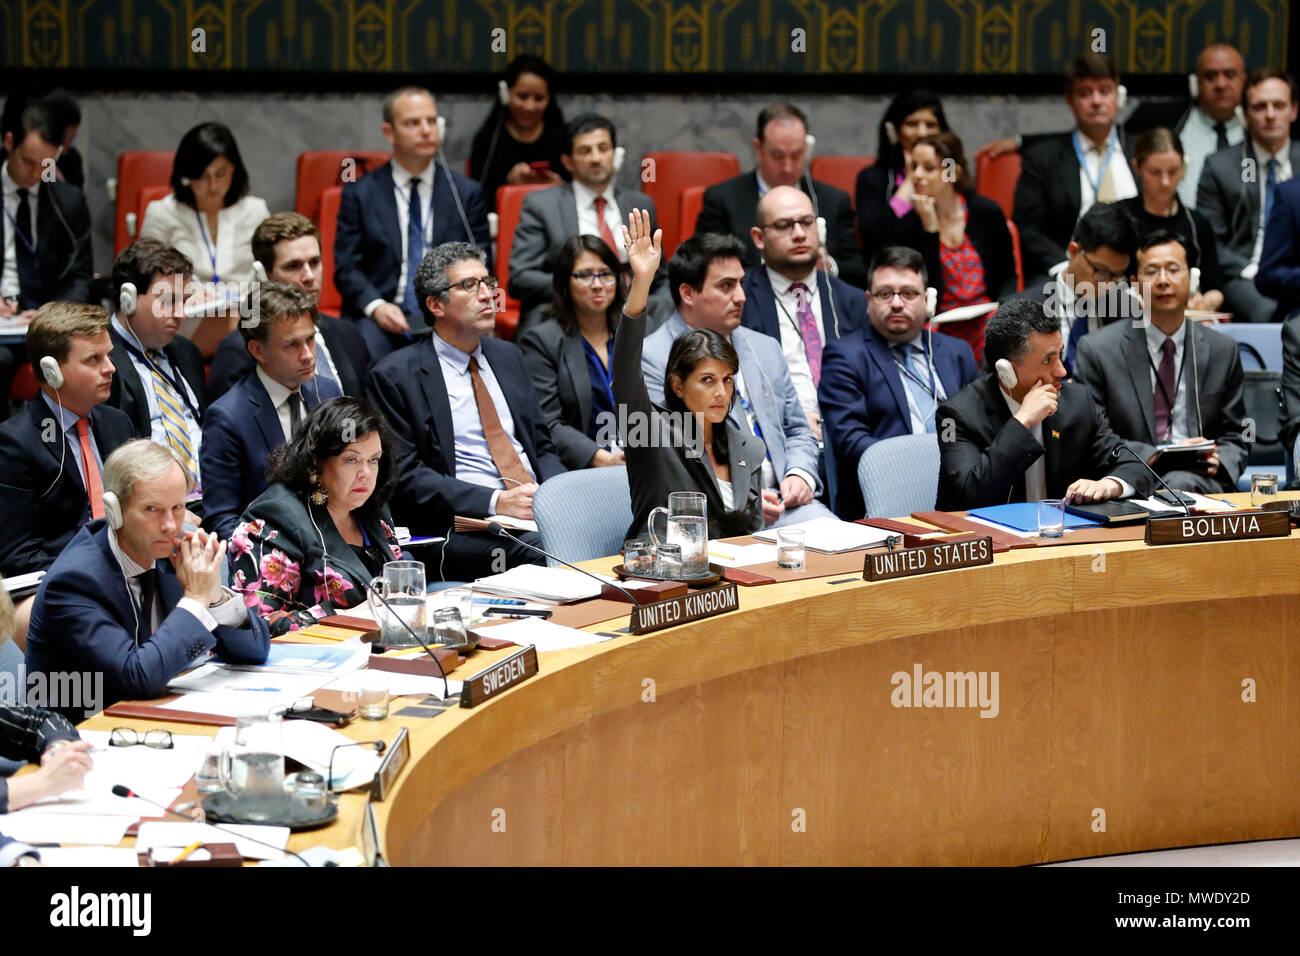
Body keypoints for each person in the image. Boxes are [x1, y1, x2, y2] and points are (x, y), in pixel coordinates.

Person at [26, 440, 270, 720]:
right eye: (152, 509)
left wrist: (215, 597)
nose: (170, 525)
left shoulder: (175, 551)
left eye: (178, 507)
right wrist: (196, 599)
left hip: (165, 718)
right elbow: (137, 677)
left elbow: (255, 651)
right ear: (114, 510)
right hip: (83, 737)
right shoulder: (74, 582)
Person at [367, 242, 564, 578]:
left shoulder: (509, 357)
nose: (488, 294)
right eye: (470, 285)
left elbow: (541, 446)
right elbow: (407, 477)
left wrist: (561, 495)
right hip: (460, 527)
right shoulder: (395, 376)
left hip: (535, 510)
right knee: (549, 551)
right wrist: (497, 501)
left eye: (488, 282)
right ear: (435, 304)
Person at [642, 233, 832, 527]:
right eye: (726, 286)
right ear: (688, 293)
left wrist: (800, 474)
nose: (741, 296)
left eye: (741, 283)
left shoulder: (764, 347)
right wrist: (745, 502)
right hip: (714, 518)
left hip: (787, 506)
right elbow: (670, 457)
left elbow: (797, 428)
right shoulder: (653, 358)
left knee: (847, 551)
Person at [614, 210, 765, 541]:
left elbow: (754, 538)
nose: (720, 393)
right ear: (678, 386)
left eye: (727, 381)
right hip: (662, 576)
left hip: (730, 582)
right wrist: (641, 282)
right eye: (707, 380)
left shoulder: (748, 448)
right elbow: (625, 372)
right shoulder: (651, 435)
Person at [1073, 232, 1247, 495]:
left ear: (1192, 279)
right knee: (1176, 483)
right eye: (1152, 271)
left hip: (1202, 483)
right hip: (1128, 480)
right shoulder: (1098, 350)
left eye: (1174, 269)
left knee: (1181, 483)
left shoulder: (1223, 350)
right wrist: (1157, 457)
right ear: (1134, 284)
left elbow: (1239, 434)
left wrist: (1221, 459)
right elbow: (1094, 436)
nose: (1164, 280)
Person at [935, 299, 1150, 511]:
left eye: (1060, 355)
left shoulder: (1077, 401)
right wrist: (1022, 422)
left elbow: (1134, 465)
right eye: (1047, 361)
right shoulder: (955, 416)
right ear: (1006, 372)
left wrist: (1107, 485)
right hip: (988, 539)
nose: (1062, 371)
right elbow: (971, 491)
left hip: (1064, 538)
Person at [818, 247, 978, 518]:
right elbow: (851, 441)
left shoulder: (957, 353)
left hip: (961, 492)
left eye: (908, 293)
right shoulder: (845, 356)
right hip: (888, 499)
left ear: (926, 299)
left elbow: (980, 426)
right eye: (884, 293)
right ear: (869, 300)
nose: (896, 303)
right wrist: (915, 470)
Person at [334, 87, 492, 360]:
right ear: (389, 132)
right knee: (366, 355)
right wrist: (376, 306)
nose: (426, 130)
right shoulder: (360, 193)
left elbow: (481, 260)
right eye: (413, 123)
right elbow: (347, 268)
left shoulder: (465, 193)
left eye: (432, 121)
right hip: (382, 313)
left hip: (449, 310)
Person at [229, 398, 407, 636]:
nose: (366, 473)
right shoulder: (275, 516)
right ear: (316, 461)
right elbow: (258, 623)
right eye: (351, 459)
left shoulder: (373, 508)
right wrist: (349, 617)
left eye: (373, 460)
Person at [0, 304, 132, 586]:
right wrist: (98, 571)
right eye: (93, 359)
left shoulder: (117, 423)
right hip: (67, 584)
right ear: (51, 372)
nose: (110, 368)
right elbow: (18, 554)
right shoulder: (15, 443)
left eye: (108, 355)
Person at [200, 283, 343, 538]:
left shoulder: (329, 392)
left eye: (310, 339)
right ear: (258, 350)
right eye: (292, 345)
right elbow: (221, 521)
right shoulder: (228, 418)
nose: (309, 355)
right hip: (271, 557)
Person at [508, 113, 671, 335]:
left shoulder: (639, 203)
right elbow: (521, 278)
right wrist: (581, 288)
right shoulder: (542, 205)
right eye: (585, 151)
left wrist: (657, 303)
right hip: (566, 314)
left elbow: (660, 276)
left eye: (603, 148)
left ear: (615, 154)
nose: (596, 158)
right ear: (567, 161)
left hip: (632, 311)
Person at [741, 185, 868, 437]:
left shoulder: (853, 301)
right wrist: (791, 423)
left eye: (806, 223)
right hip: (773, 439)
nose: (799, 234)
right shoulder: (739, 299)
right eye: (784, 226)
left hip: (848, 437)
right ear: (758, 237)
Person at [696, 103, 867, 288]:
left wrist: (828, 266)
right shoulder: (723, 199)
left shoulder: (833, 201)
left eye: (796, 155)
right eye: (777, 156)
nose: (787, 167)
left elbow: (858, 270)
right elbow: (706, 267)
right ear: (758, 148)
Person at [208, 212, 372, 401]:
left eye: (314, 262)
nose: (309, 276)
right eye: (293, 266)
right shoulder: (238, 351)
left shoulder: (348, 334)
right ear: (264, 275)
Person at [139, 122, 270, 356]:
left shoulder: (255, 210)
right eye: (203, 176)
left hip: (244, 312)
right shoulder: (161, 213)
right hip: (185, 314)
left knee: (253, 320)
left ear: (235, 170)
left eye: (221, 174)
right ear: (186, 176)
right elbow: (145, 277)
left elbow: (269, 274)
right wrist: (188, 292)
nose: (213, 185)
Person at [0, 96, 93, 415]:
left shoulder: (68, 202)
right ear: (8, 141)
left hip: (50, 324)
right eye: (29, 162)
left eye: (47, 164)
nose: (37, 173)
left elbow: (81, 276)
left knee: (105, 356)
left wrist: (51, 314)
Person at [1013, 53, 1138, 285]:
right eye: (1085, 93)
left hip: (1133, 275)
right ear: (1070, 100)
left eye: (1105, 90)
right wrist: (1065, 267)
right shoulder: (1044, 158)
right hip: (1066, 274)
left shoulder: (1140, 152)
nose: (1097, 101)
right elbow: (1027, 229)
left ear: (1118, 96)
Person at [895, 131, 1015, 364]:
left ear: (952, 172)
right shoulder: (908, 224)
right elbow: (925, 288)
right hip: (938, 320)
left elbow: (1008, 274)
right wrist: (930, 230)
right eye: (913, 166)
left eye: (929, 168)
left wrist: (1004, 311)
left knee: (1000, 336)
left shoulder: (985, 212)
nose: (917, 175)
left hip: (988, 315)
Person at [516, 236, 629, 471]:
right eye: (585, 275)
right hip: (582, 466)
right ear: (564, 282)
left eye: (606, 274)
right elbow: (548, 422)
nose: (597, 284)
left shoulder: (633, 332)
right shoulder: (542, 341)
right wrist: (602, 458)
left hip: (637, 457)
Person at [1197, 69, 1300, 322]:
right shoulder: (1220, 166)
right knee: (1269, 312)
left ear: (1294, 110)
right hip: (1244, 275)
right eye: (1259, 106)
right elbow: (1210, 241)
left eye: (1279, 105)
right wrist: (1251, 269)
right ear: (1244, 114)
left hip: (1295, 273)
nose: (1270, 114)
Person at [105, 240, 208, 493]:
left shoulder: (186, 352)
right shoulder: (103, 361)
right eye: (169, 301)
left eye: (183, 301)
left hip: (214, 493)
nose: (181, 314)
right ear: (127, 298)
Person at [1008, 201, 1140, 372]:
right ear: (1074, 250)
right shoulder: (1021, 310)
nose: (1107, 285)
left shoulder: (1126, 308)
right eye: (1101, 271)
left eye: (1116, 275)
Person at [1124, 43, 1248, 209]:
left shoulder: (1258, 129)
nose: (1220, 84)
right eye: (1210, 76)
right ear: (1195, 83)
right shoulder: (1167, 120)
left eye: (1229, 75)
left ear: (1244, 81)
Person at [1116, 129, 1225, 311]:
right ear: (1137, 168)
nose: (1165, 181)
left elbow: (1215, 289)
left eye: (1173, 172)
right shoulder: (1118, 218)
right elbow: (1102, 279)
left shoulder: (1197, 223)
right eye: (1155, 172)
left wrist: (1206, 303)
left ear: (1184, 167)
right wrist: (1127, 300)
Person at [855, 89, 948, 264]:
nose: (922, 133)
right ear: (894, 131)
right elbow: (874, 238)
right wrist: (912, 177)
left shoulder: (949, 167)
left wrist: (940, 162)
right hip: (893, 268)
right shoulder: (872, 177)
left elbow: (958, 199)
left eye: (931, 125)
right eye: (912, 124)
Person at [469, 54, 568, 201]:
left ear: (550, 99)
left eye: (539, 98)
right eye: (522, 96)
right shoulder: (488, 140)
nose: (529, 106)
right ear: (506, 95)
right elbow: (475, 200)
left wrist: (561, 187)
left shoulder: (563, 138)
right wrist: (508, 185)